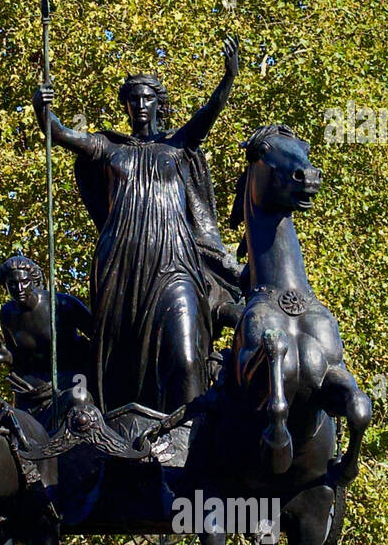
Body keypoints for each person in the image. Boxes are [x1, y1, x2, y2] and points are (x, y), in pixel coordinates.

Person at [32, 37, 243, 413]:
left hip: (174, 262)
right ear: (125, 105)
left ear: (160, 104)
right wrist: (41, 107)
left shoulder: (178, 146)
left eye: (147, 98)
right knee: (117, 365)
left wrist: (228, 78)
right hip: (120, 268)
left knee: (186, 356)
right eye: (133, 99)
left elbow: (208, 114)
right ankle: (119, 439)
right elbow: (59, 133)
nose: (140, 105)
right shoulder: (108, 148)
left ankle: (191, 442)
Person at [0, 254, 92, 421]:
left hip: (72, 380)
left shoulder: (62, 304)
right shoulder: (7, 314)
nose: (19, 289)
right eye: (12, 284)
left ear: (34, 281)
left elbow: (99, 337)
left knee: (79, 400)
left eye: (24, 282)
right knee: (14, 422)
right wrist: (9, 358)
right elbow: (22, 361)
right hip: (34, 387)